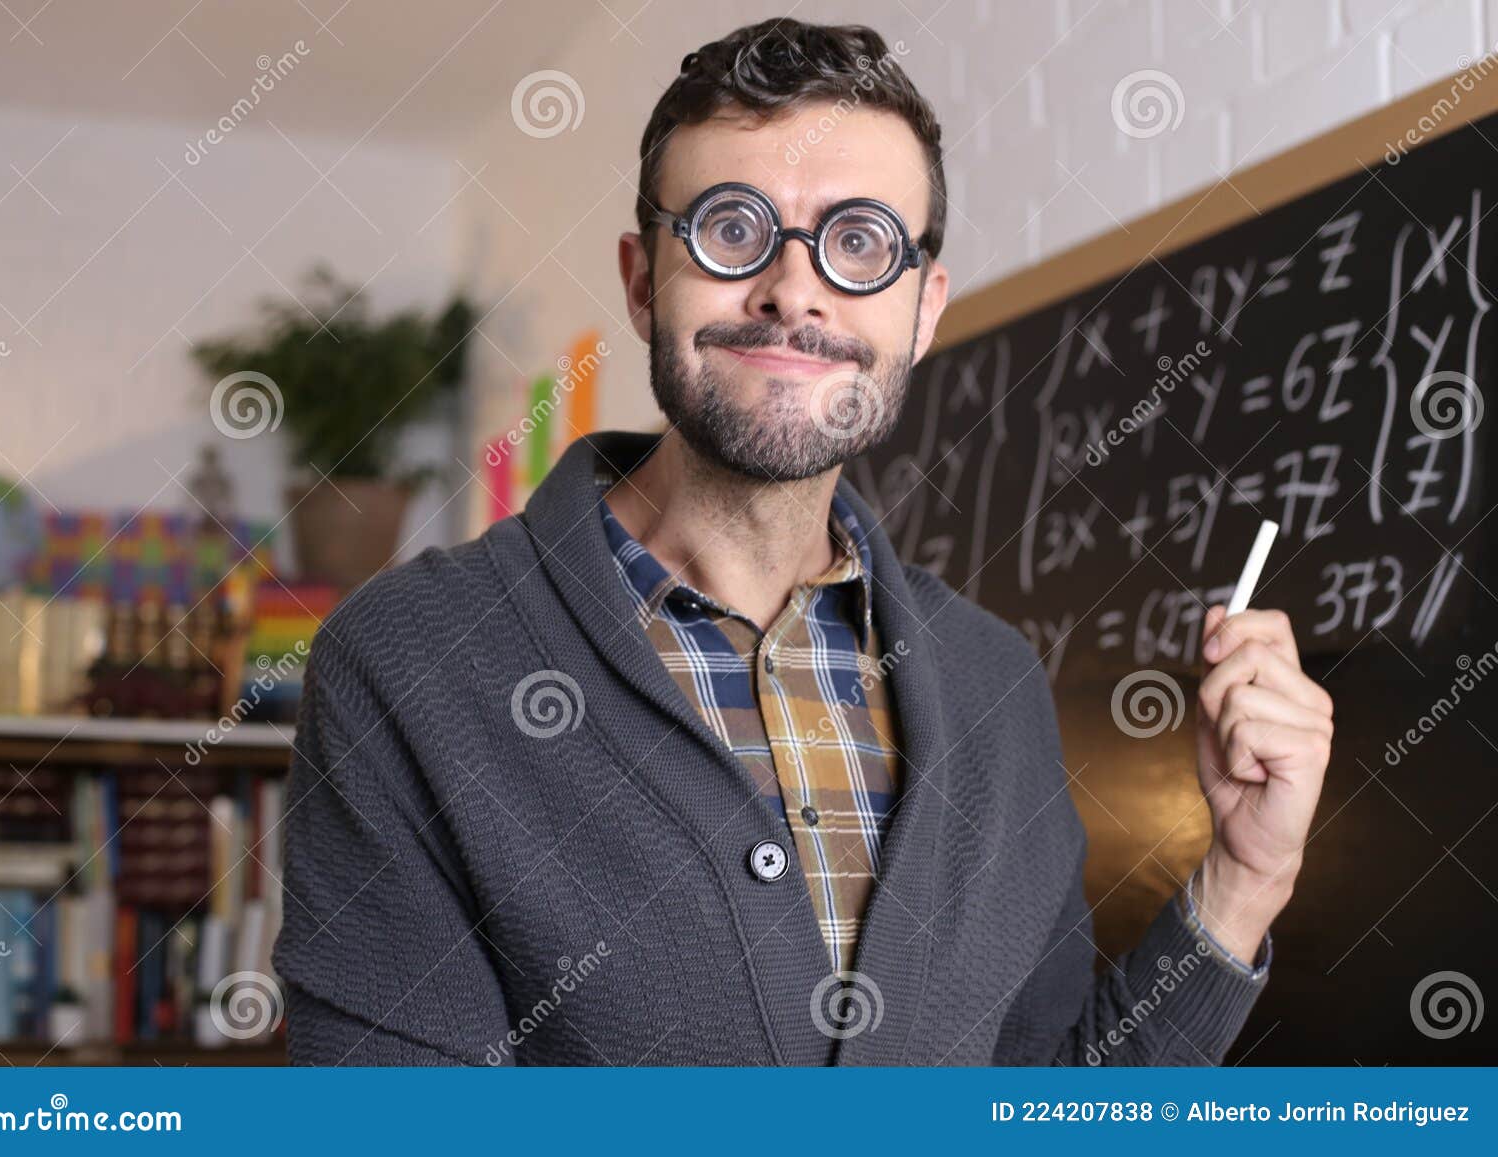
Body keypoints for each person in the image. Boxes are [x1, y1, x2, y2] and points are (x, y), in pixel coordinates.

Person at [273, 17, 1333, 1066]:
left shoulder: (992, 683)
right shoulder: (409, 660)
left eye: (861, 241)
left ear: (922, 310)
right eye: (732, 228)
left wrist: (1243, 876)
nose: (794, 288)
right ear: (645, 281)